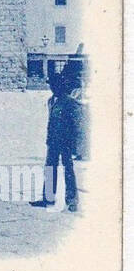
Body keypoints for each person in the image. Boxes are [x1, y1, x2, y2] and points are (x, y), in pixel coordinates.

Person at [44, 74, 79, 211]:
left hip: (65, 141)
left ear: (60, 86)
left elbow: (75, 124)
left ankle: (72, 201)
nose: (52, 88)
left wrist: (73, 144)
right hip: (52, 141)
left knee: (68, 170)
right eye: (51, 85)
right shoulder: (51, 101)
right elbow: (50, 122)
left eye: (54, 85)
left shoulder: (69, 101)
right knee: (49, 168)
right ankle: (48, 198)